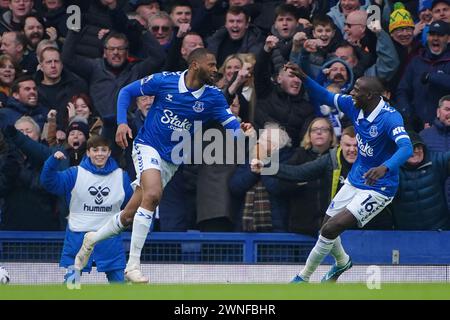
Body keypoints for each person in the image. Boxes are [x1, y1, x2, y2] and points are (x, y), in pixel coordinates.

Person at [74, 48, 254, 283]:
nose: (215, 69)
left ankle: (92, 239)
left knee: (128, 216)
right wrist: (121, 123)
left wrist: (243, 135)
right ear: (195, 66)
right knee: (154, 193)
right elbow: (126, 92)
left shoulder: (213, 96)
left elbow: (230, 125)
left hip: (172, 160)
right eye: (211, 64)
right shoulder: (164, 81)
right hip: (147, 145)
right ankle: (133, 265)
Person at [253, 70, 413, 283]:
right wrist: (304, 76)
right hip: (357, 179)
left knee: (330, 228)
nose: (351, 93)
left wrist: (385, 167)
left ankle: (303, 278)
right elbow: (327, 96)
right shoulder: (355, 105)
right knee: (326, 227)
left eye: (357, 90)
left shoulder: (390, 117)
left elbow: (406, 148)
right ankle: (343, 262)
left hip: (380, 187)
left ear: (371, 96)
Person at [40, 135, 133, 283]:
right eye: (95, 150)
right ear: (88, 153)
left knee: (119, 285)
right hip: (78, 236)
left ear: (109, 152)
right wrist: (52, 162)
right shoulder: (75, 173)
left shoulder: (121, 177)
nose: (100, 154)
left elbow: (133, 202)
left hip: (109, 237)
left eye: (104, 150)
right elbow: (49, 183)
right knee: (72, 285)